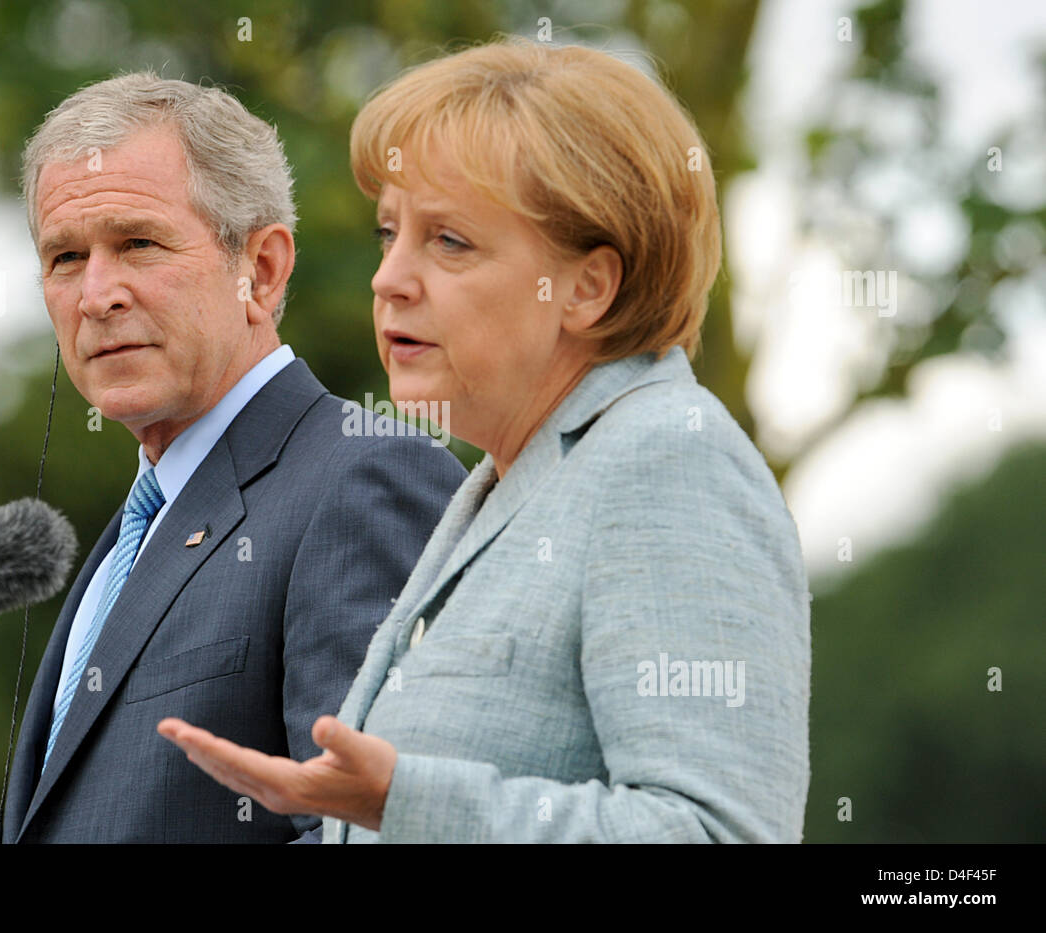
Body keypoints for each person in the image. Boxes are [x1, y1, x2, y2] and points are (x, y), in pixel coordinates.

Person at [158, 39, 812, 842]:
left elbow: (720, 833)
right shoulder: (507, 480)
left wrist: (403, 798)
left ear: (588, 286)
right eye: (388, 233)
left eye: (449, 241)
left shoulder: (667, 458)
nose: (388, 277)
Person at [0, 72, 466, 843]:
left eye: (137, 243)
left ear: (264, 267)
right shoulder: (136, 530)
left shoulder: (364, 480)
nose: (96, 294)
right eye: (66, 257)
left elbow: (382, 830)